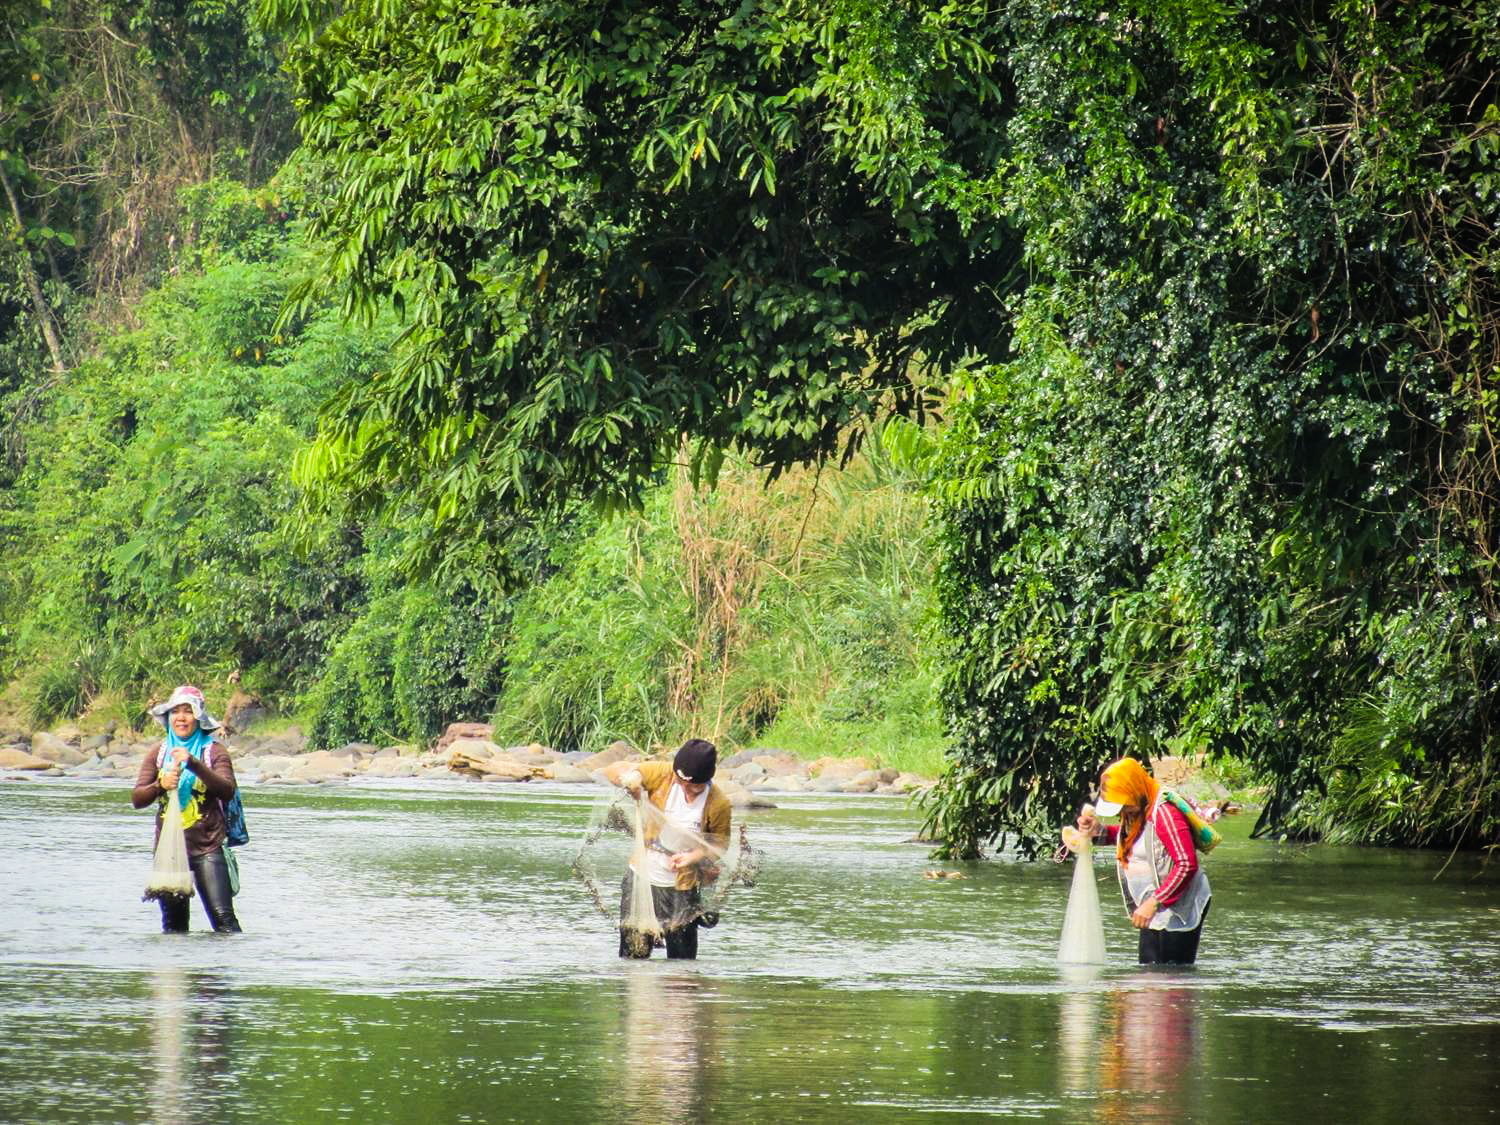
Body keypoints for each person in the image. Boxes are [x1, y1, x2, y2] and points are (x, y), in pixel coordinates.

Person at [603, 739, 731, 960]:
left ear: (706, 780)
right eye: (681, 782)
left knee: (682, 962)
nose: (686, 789)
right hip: (642, 878)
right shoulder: (663, 774)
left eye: (694, 786)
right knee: (633, 955)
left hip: (682, 886)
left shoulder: (718, 803)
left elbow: (720, 844)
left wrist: (693, 856)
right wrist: (632, 781)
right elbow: (612, 770)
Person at [1077, 757, 1210, 965]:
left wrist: (1154, 902)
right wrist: (1098, 832)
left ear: (1134, 791)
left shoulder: (1165, 814)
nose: (1122, 812)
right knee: (1148, 972)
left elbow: (1187, 864)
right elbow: (1138, 840)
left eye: (1124, 807)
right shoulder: (1136, 810)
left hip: (1179, 904)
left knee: (1172, 974)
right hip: (1155, 904)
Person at [131, 684, 242, 933]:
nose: (181, 717)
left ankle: (230, 960)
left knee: (224, 921)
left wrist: (193, 764)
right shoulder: (159, 753)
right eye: (175, 712)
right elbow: (138, 799)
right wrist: (160, 785)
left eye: (188, 711)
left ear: (198, 718)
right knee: (174, 928)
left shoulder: (213, 751)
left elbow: (227, 790)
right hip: (169, 850)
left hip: (207, 847)